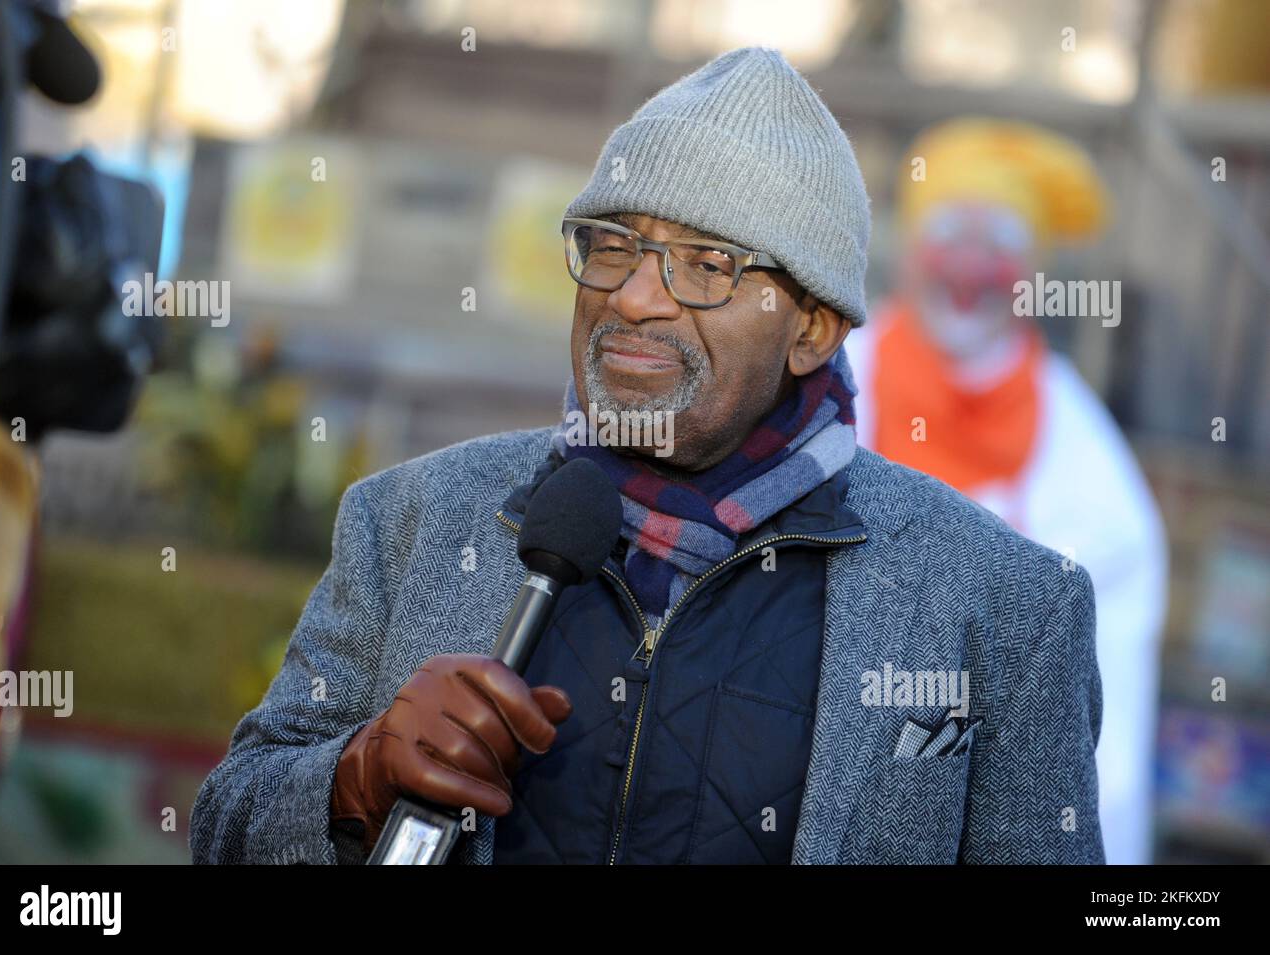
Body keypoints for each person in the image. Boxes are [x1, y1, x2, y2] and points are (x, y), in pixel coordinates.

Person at [190, 48, 1105, 865]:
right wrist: (353, 782)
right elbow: (226, 824)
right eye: (613, 245)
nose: (632, 298)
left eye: (707, 264)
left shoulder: (1003, 607)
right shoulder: (413, 520)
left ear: (811, 329)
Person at [845, 119, 1167, 864]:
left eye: (1000, 247)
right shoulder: (832, 385)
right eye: (952, 232)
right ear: (909, 247)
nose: (971, 266)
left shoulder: (1083, 450)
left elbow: (1105, 716)